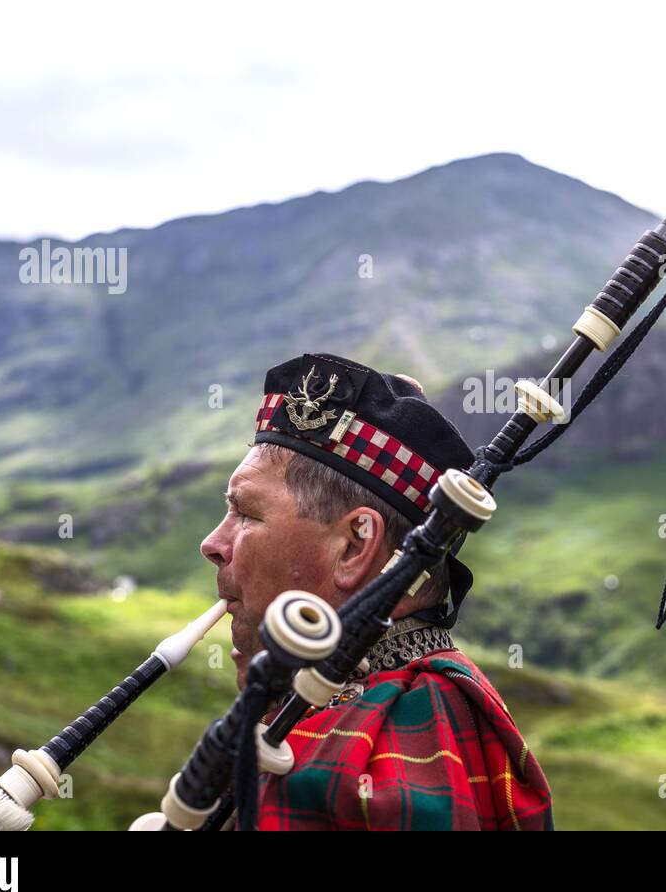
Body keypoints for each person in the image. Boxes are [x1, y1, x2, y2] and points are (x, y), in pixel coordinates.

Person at [199, 351, 553, 830]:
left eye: (247, 515)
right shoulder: (317, 698)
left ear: (355, 545)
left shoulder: (408, 738)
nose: (213, 545)